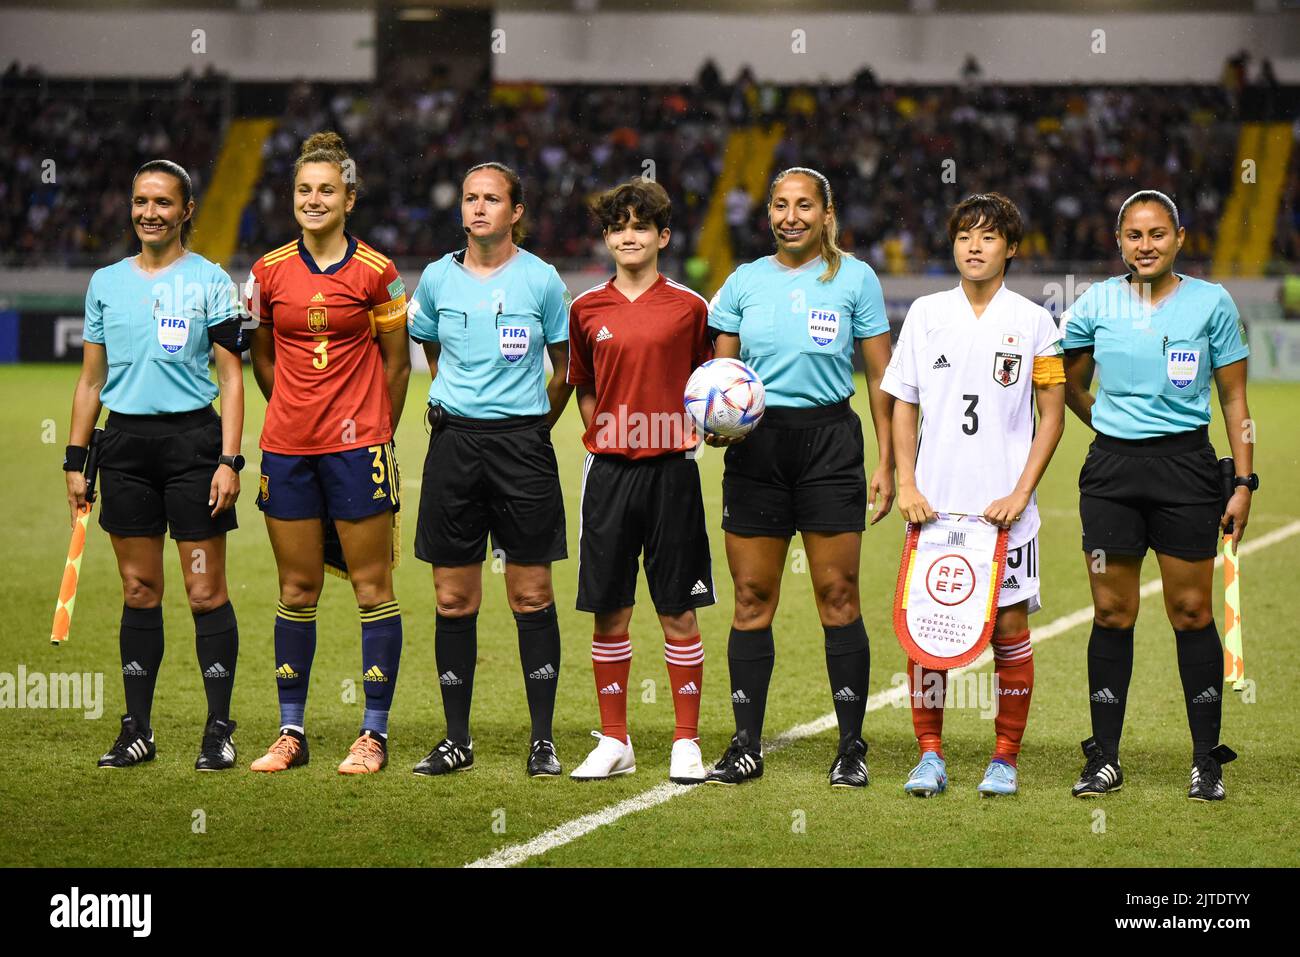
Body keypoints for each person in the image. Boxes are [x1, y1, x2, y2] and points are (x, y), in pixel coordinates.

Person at [704, 166, 895, 787]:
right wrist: (714, 423)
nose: (792, 216)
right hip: (757, 450)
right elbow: (720, 377)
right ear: (768, 214)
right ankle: (745, 744)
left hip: (829, 446)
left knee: (837, 596)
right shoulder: (742, 281)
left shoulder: (856, 279)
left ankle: (850, 748)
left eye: (804, 205)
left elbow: (884, 384)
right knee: (753, 598)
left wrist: (890, 462)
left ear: (826, 212)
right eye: (781, 205)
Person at [1062, 189, 1255, 802]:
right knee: (1113, 613)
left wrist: (1245, 482)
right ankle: (1105, 759)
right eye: (1133, 236)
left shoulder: (1211, 303)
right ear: (1119, 243)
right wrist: (1113, 426)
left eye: (1157, 234)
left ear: (1178, 239)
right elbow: (1068, 383)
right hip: (1112, 475)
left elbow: (1233, 401)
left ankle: (1206, 761)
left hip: (1188, 471)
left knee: (1192, 612)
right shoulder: (1096, 302)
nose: (1145, 246)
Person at [883, 193, 1066, 798]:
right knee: (930, 630)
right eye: (965, 235)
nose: (974, 247)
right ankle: (929, 755)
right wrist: (907, 482)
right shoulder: (926, 313)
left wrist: (1021, 491)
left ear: (1010, 248)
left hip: (1006, 515)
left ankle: (1005, 758)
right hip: (933, 509)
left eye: (988, 237)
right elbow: (902, 403)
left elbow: (1052, 417)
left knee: (1011, 630)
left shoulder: (1035, 321)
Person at [67, 159, 246, 770]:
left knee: (203, 591)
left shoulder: (212, 282)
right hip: (126, 452)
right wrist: (75, 458)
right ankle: (137, 729)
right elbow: (91, 381)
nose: (150, 212)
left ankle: (218, 728)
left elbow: (230, 376)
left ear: (186, 210)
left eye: (163, 202)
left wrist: (229, 459)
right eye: (141, 200)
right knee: (139, 589)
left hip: (193, 449)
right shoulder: (105, 283)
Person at [245, 131, 411, 775]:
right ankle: (291, 731)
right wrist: (293, 410)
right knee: (297, 587)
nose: (314, 200)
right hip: (287, 449)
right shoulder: (267, 270)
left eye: (326, 190)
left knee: (372, 588)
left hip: (358, 449)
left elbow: (397, 366)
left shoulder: (377, 271)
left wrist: (373, 430)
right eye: (304, 190)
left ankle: (372, 734)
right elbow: (261, 355)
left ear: (349, 198)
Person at [406, 162, 573, 778]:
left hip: (522, 448)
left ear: (516, 211)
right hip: (454, 445)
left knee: (530, 594)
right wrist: (463, 398)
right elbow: (428, 346)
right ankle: (456, 740)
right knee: (453, 599)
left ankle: (543, 740)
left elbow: (565, 367)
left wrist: (532, 427)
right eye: (471, 198)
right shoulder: (435, 278)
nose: (479, 208)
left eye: (492, 199)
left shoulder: (543, 280)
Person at [565, 179, 715, 783]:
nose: (629, 235)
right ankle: (616, 741)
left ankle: (686, 741)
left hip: (672, 474)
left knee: (678, 609)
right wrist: (610, 435)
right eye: (618, 226)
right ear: (607, 238)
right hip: (609, 475)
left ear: (662, 237)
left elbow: (712, 388)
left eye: (640, 226)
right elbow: (587, 389)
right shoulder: (586, 309)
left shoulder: (690, 307)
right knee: (610, 610)